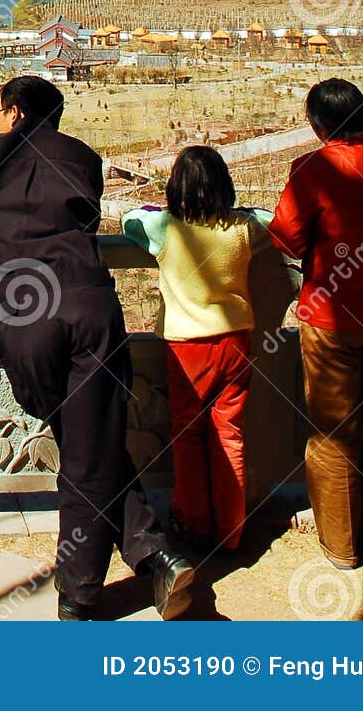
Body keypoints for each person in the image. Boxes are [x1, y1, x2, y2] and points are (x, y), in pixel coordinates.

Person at [0, 74, 193, 620]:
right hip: (89, 304)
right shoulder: (83, 157)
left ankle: (82, 595)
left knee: (80, 442)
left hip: (23, 313)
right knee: (91, 444)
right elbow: (84, 221)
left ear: (13, 112)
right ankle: (150, 552)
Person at [270, 78, 363, 571]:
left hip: (331, 322)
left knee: (334, 433)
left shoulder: (312, 170)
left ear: (320, 124)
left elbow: (285, 238)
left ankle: (345, 548)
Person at [122, 147, 272, 554]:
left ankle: (192, 522)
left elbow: (129, 220)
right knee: (230, 434)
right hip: (236, 340)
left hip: (188, 347)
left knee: (187, 436)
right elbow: (269, 219)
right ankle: (232, 530)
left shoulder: (165, 228)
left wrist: (157, 203)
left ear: (177, 187)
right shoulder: (242, 227)